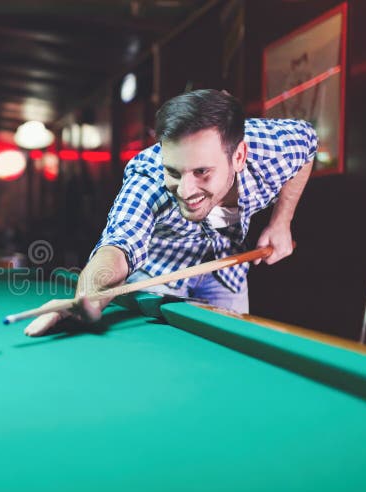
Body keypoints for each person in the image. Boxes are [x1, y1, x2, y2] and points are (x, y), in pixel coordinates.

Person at [25, 89, 317, 336]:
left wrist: (282, 222)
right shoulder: (148, 177)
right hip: (157, 278)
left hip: (227, 271)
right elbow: (117, 245)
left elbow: (309, 142)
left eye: (202, 171)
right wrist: (86, 297)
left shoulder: (274, 148)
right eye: (174, 171)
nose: (186, 190)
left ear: (238, 156)